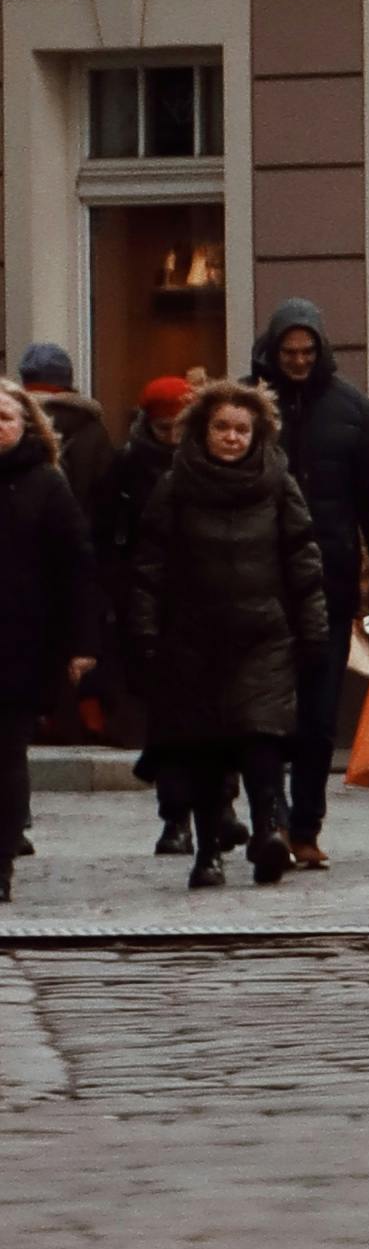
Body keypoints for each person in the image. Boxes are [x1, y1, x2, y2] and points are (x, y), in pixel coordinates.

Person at [125, 380, 326, 888]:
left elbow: (303, 560)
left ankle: (269, 833)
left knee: (261, 738)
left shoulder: (279, 484)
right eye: (222, 427)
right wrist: (145, 632)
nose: (232, 438)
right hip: (194, 637)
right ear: (202, 430)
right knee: (207, 748)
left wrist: (314, 632)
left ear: (257, 434)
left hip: (264, 635)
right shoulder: (174, 486)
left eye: (241, 429)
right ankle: (208, 851)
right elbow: (149, 565)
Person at [252, 301, 369, 877]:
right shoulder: (248, 405)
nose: (297, 362)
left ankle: (306, 825)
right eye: (288, 353)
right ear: (272, 352)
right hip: (258, 584)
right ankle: (268, 817)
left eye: (306, 353)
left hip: (329, 584)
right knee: (263, 711)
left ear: (320, 351)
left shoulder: (351, 410)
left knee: (318, 716)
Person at [0, 372, 94, 889]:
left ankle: (3, 857)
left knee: (8, 752)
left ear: (26, 425)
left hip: (21, 643)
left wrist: (81, 644)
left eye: (5, 418)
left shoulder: (46, 485)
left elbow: (76, 567)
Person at [105, 376, 197, 855]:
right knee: (169, 720)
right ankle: (176, 817)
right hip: (155, 609)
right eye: (163, 427)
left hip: (216, 606)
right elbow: (111, 541)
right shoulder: (127, 467)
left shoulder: (211, 464)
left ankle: (220, 812)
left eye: (179, 426)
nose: (172, 435)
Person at [16, 340, 114, 531]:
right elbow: (107, 500)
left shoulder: (12, 423)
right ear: (68, 383)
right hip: (79, 542)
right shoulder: (93, 428)